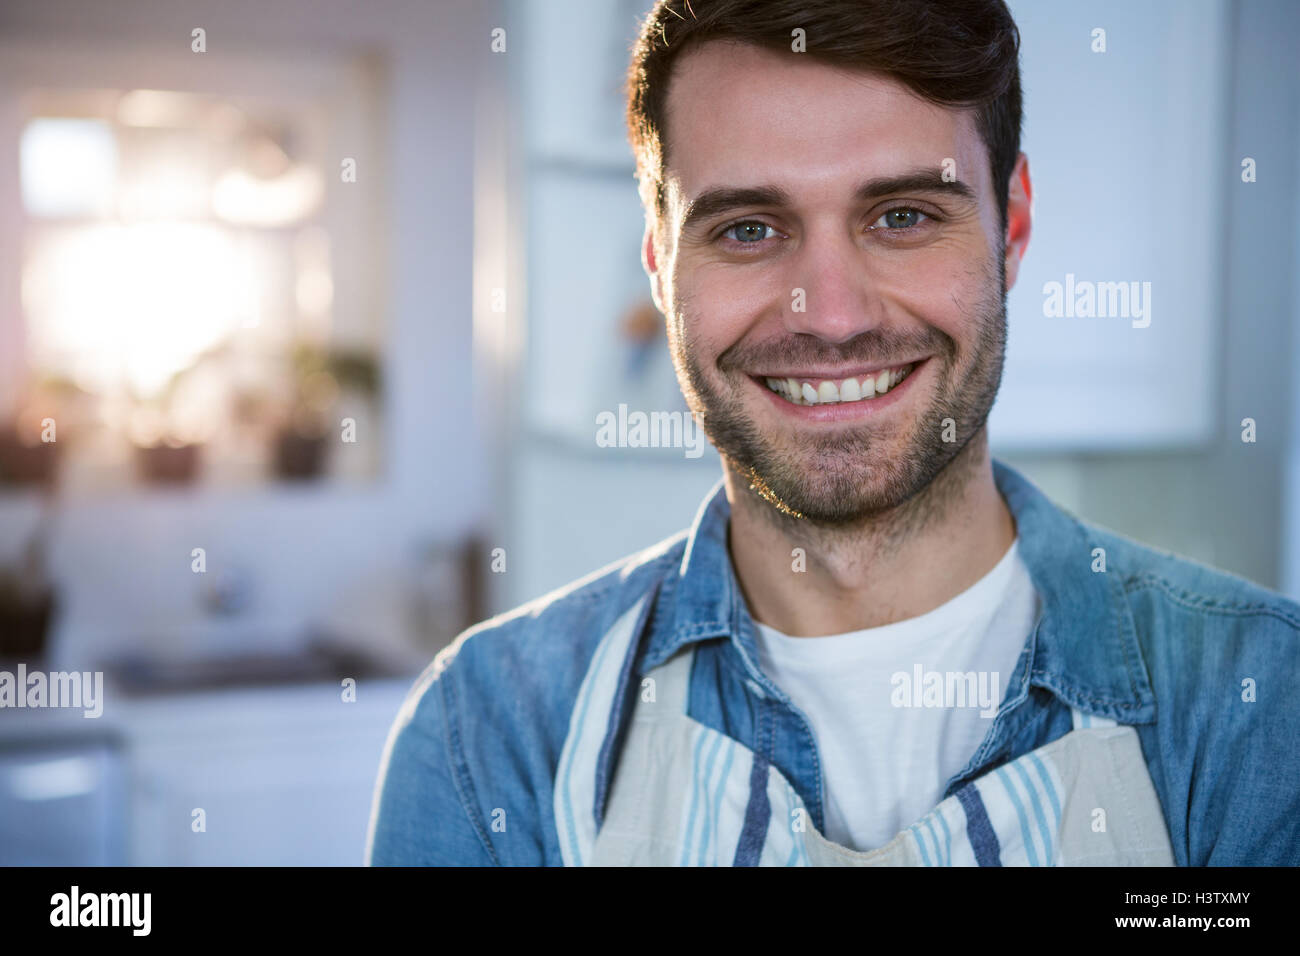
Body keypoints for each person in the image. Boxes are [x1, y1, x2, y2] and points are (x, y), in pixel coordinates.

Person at [367, 0, 1300, 866]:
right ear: (659, 262)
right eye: (747, 230)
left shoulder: (1260, 703)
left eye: (902, 216)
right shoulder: (488, 737)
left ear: (1010, 227)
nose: (834, 317)